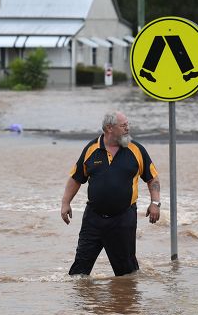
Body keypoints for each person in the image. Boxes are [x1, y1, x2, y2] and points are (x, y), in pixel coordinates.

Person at [60, 111, 161, 276]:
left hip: (123, 218)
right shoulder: (91, 149)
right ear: (109, 128)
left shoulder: (136, 149)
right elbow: (76, 178)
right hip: (93, 219)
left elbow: (152, 178)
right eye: (123, 125)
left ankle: (124, 301)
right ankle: (82, 302)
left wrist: (155, 203)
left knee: (127, 274)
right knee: (79, 273)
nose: (128, 128)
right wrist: (65, 203)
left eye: (128, 124)